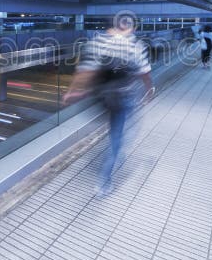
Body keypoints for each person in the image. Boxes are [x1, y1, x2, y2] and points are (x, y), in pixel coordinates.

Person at [63, 13, 154, 195]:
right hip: (123, 97)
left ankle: (116, 150)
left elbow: (84, 71)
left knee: (117, 129)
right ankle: (104, 181)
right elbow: (144, 72)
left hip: (102, 97)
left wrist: (73, 91)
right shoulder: (134, 44)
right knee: (119, 137)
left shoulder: (97, 42)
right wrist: (149, 89)